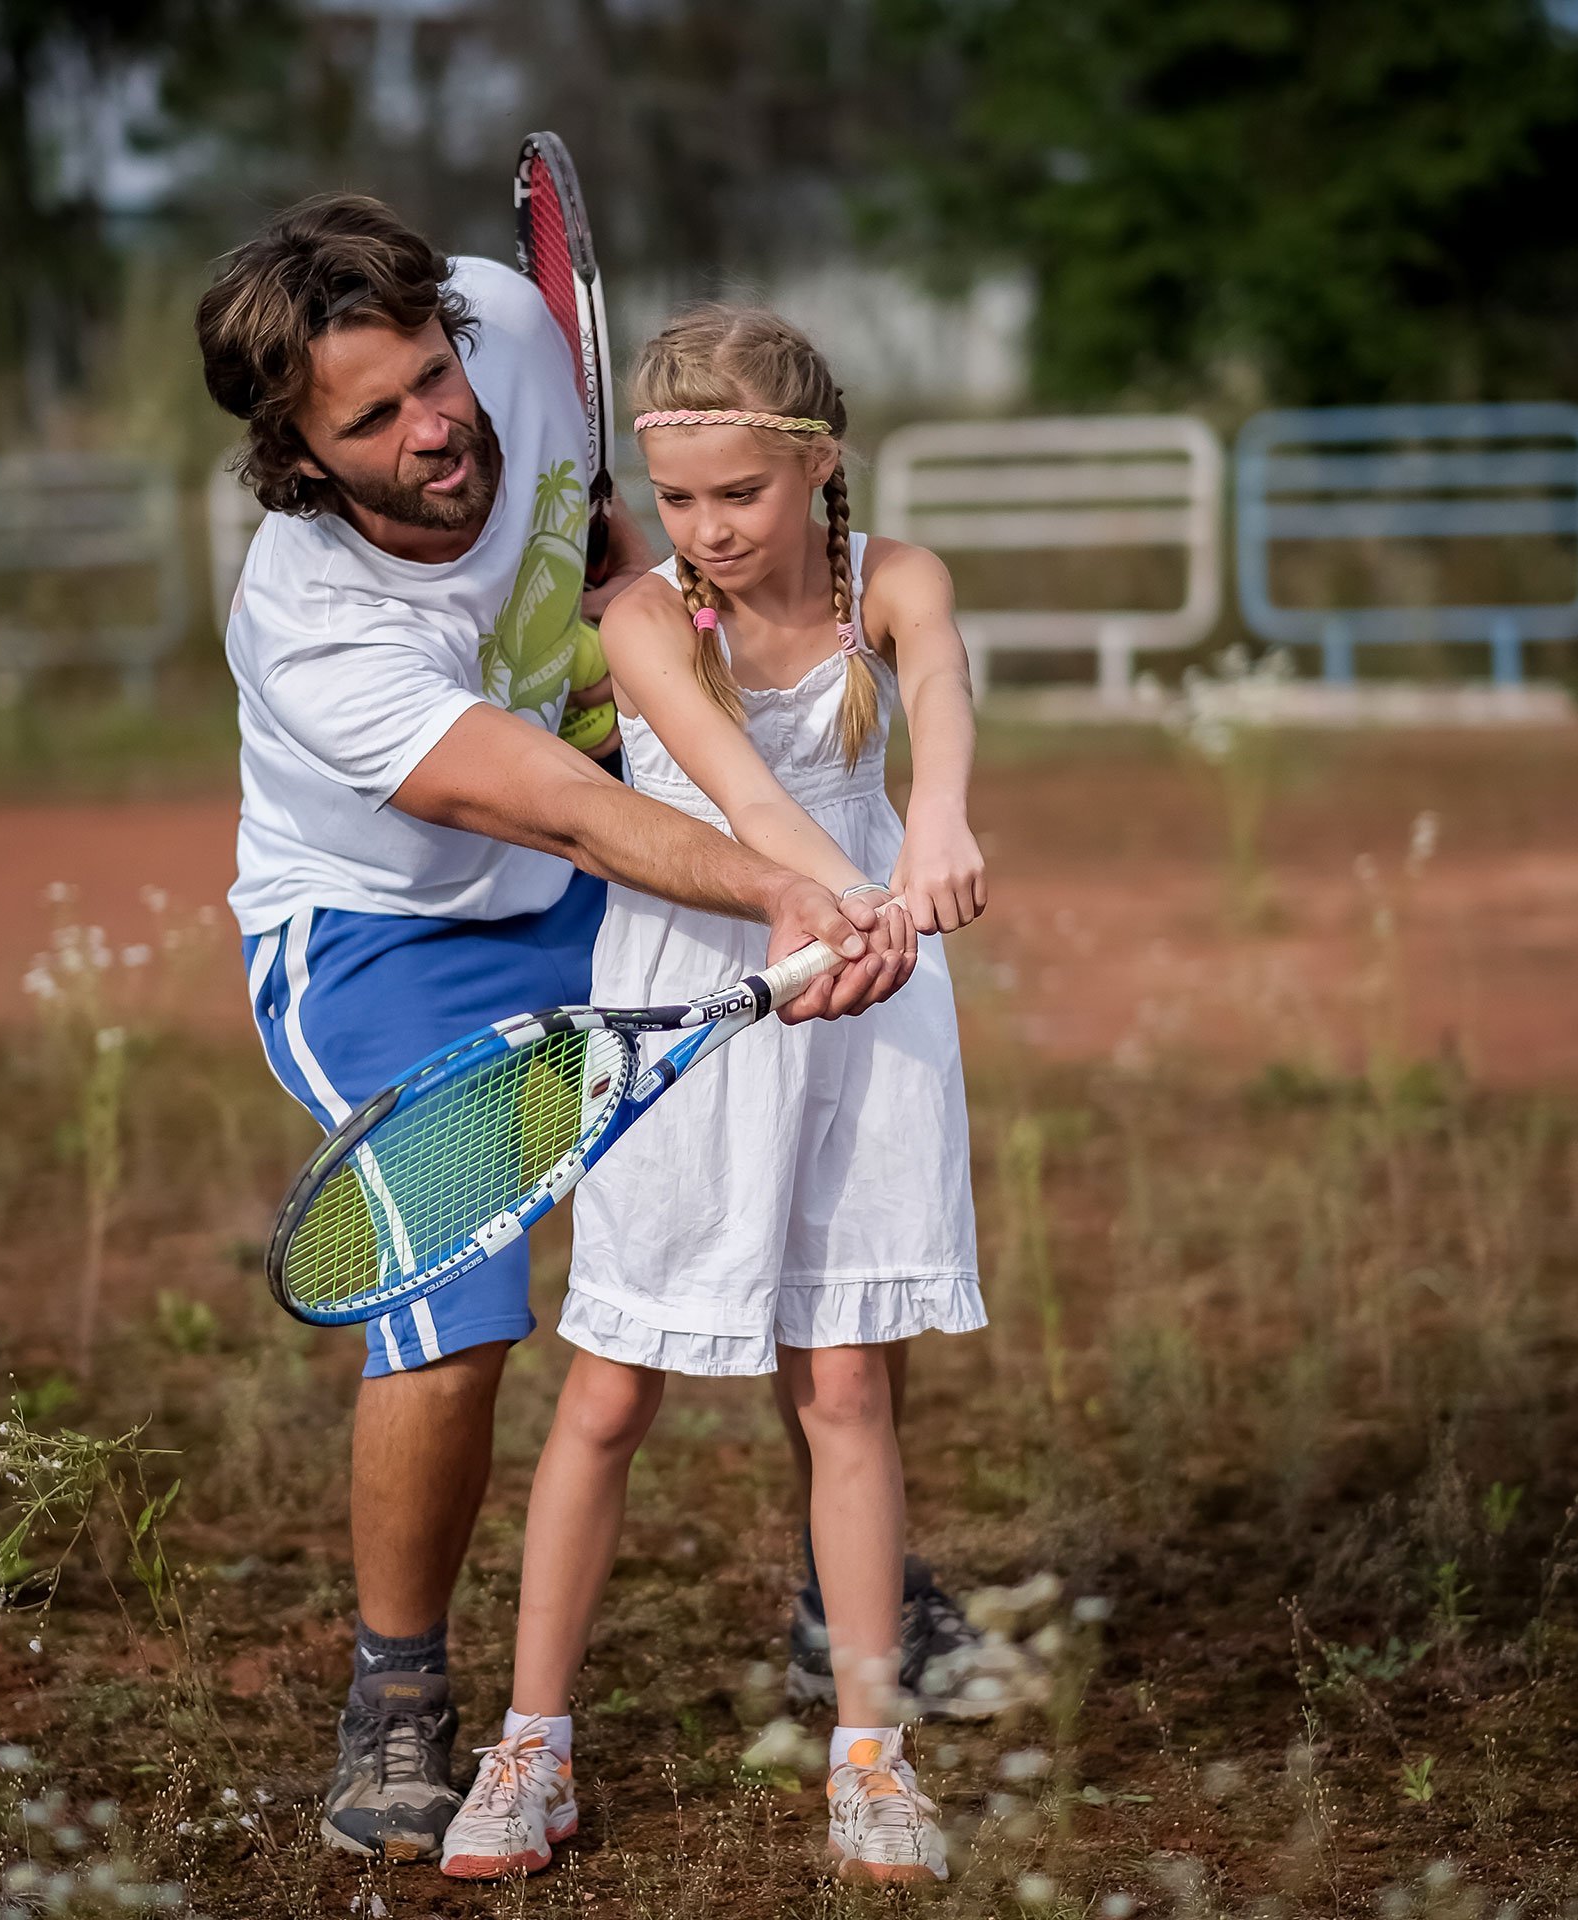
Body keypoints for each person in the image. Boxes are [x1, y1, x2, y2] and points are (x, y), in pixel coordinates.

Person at [195, 198, 915, 1864]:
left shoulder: (510, 337)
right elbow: (575, 820)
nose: (437, 423)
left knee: (819, 1150)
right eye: (372, 419)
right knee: (457, 1291)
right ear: (297, 455)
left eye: (431, 378)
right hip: (392, 932)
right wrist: (779, 886)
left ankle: (850, 1587)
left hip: (595, 863)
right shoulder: (310, 624)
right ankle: (399, 1695)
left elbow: (600, 537)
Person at [437, 306, 986, 1888]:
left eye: (740, 495)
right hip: (690, 1007)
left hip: (868, 1020)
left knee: (844, 1391)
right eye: (679, 501)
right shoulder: (641, 619)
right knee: (610, 1388)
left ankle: (869, 1752)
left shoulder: (895, 578)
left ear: (816, 470)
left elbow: (936, 697)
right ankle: (530, 1747)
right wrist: (838, 893)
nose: (708, 531)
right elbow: (742, 797)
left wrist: (933, 829)